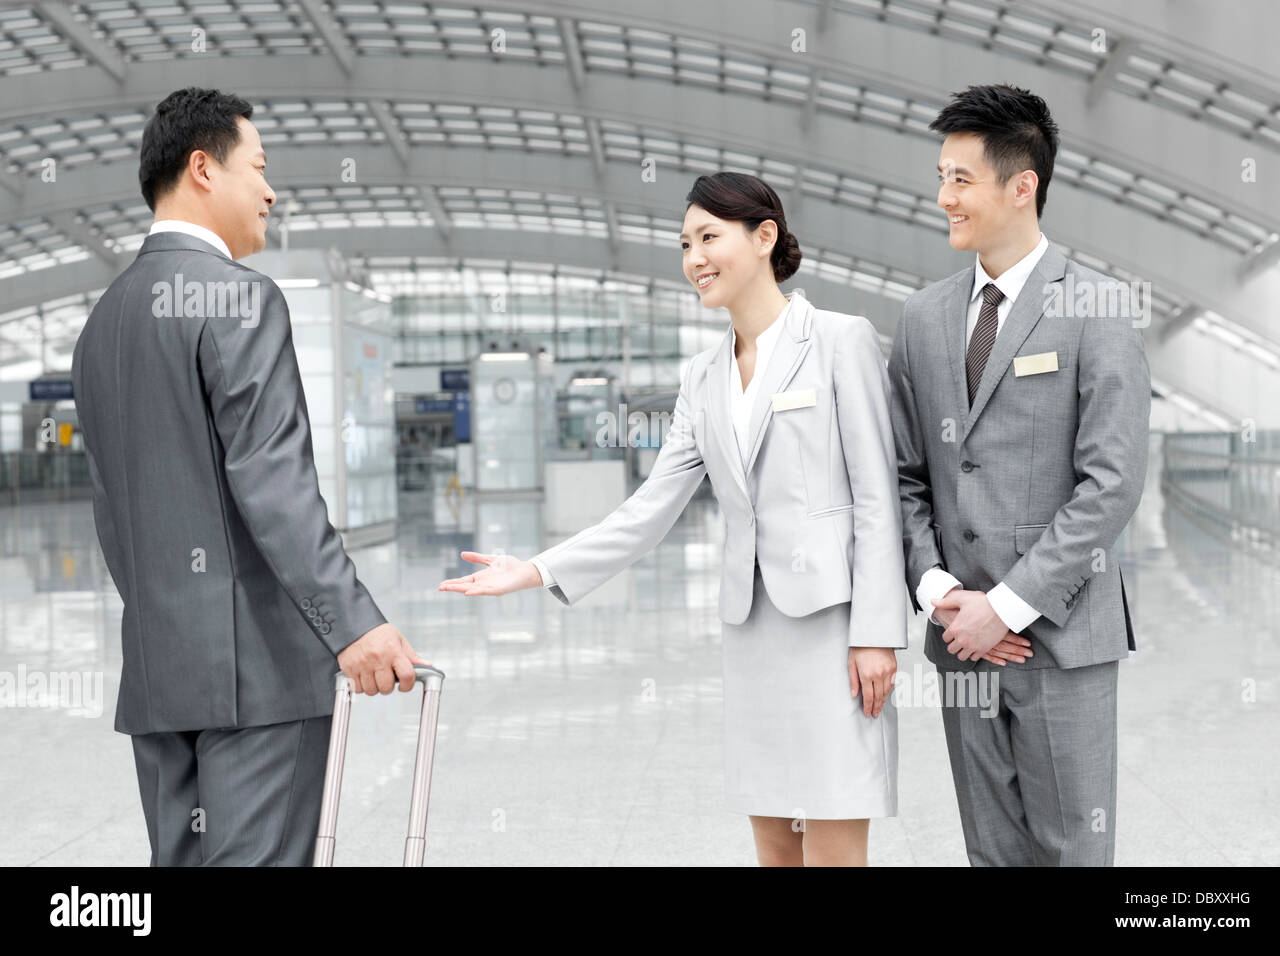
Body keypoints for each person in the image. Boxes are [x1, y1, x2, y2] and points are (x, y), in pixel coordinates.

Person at [439, 171, 1027, 866]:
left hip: (832, 634)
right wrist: (536, 569)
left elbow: (877, 495)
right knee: (775, 846)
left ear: (765, 237)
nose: (694, 259)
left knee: (835, 838)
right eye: (685, 243)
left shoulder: (840, 341)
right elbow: (651, 507)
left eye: (708, 238)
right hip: (751, 636)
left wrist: (875, 635)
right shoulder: (702, 378)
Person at [71, 87, 425, 866]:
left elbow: (112, 513)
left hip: (163, 677)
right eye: (257, 168)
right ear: (202, 168)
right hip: (260, 681)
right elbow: (273, 482)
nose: (270, 190)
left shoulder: (104, 322)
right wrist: (354, 622)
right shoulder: (235, 298)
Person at [887, 84, 1150, 865]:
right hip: (960, 638)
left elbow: (1112, 482)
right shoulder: (924, 319)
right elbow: (905, 475)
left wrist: (1007, 606)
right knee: (991, 853)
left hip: (1060, 634)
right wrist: (942, 595)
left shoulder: (1096, 306)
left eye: (960, 179)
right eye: (941, 177)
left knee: (1074, 849)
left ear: (1021, 185)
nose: (944, 198)